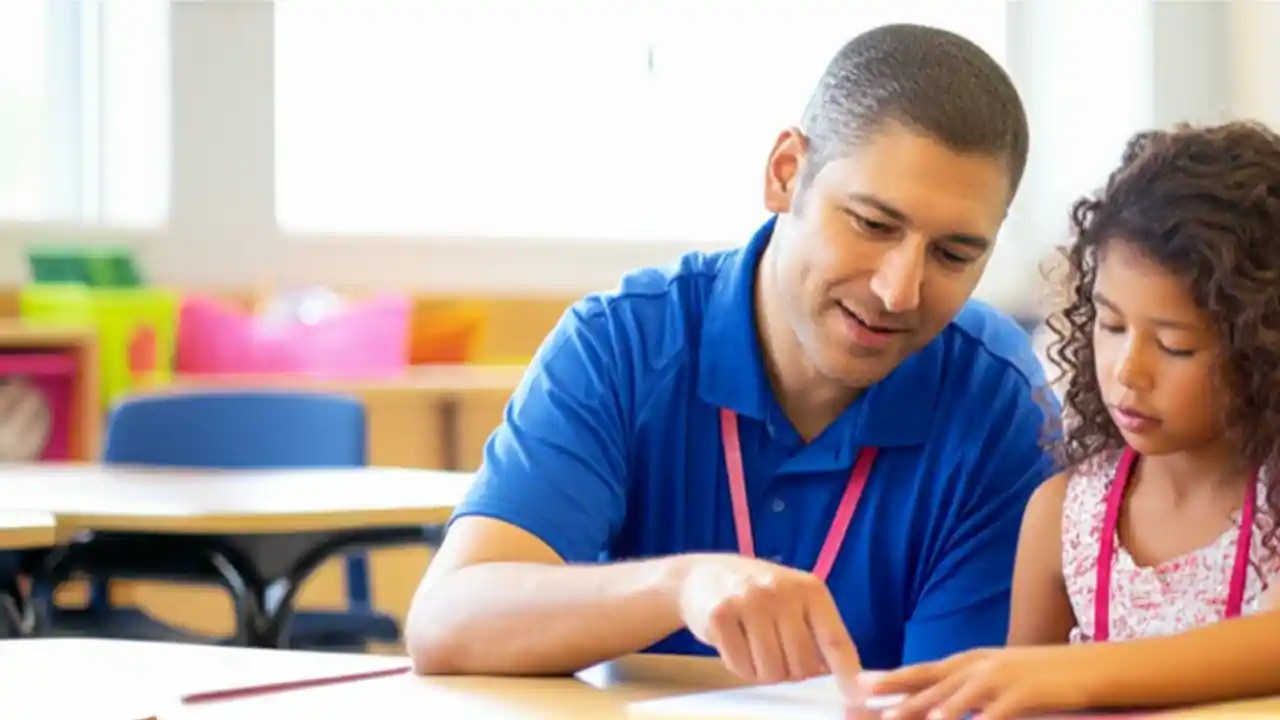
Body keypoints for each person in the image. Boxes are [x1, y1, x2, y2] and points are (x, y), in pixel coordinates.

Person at [405, 23, 1054, 698]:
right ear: (785, 173)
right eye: (871, 223)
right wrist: (680, 585)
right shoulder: (619, 345)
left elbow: (954, 702)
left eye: (953, 255)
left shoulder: (1000, 403)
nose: (899, 290)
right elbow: (446, 624)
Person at [860, 120, 1280, 720]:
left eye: (1176, 344)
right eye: (1110, 326)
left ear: (1262, 347)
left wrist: (1073, 673)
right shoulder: (1064, 518)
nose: (1127, 371)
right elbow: (1019, 697)